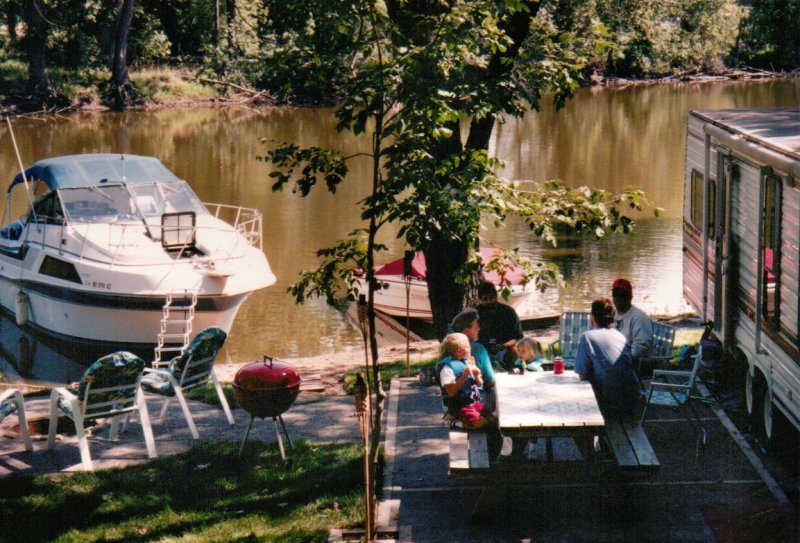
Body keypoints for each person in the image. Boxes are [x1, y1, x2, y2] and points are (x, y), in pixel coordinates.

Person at [573, 298, 641, 460]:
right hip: (633, 396)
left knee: (577, 421)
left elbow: (582, 374)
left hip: (611, 400)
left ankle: (592, 459)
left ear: (592, 317)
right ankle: (601, 449)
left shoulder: (588, 337)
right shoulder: (620, 336)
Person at [436, 333, 502, 461]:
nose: (470, 348)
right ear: (459, 351)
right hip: (459, 405)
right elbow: (451, 392)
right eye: (468, 346)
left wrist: (477, 376)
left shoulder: (466, 362)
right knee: (481, 424)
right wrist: (464, 376)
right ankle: (456, 422)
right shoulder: (447, 368)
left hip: (473, 402)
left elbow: (479, 384)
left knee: (495, 422)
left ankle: (493, 457)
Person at [451, 308, 496, 410]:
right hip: (473, 402)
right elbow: (491, 380)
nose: (479, 329)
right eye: (476, 326)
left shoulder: (448, 347)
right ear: (467, 331)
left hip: (450, 402)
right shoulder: (477, 348)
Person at [475, 280, 523, 371]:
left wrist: (503, 346)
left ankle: (514, 373)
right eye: (485, 299)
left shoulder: (508, 312)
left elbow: (518, 338)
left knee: (513, 352)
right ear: (480, 300)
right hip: (482, 351)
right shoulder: (475, 314)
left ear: (496, 297)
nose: (489, 301)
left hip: (504, 349)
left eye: (491, 298)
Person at [611, 278, 653, 369]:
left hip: (635, 366)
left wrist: (620, 359)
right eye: (615, 294)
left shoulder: (639, 318)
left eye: (622, 294)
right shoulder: (613, 315)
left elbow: (639, 349)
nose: (618, 297)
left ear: (630, 297)